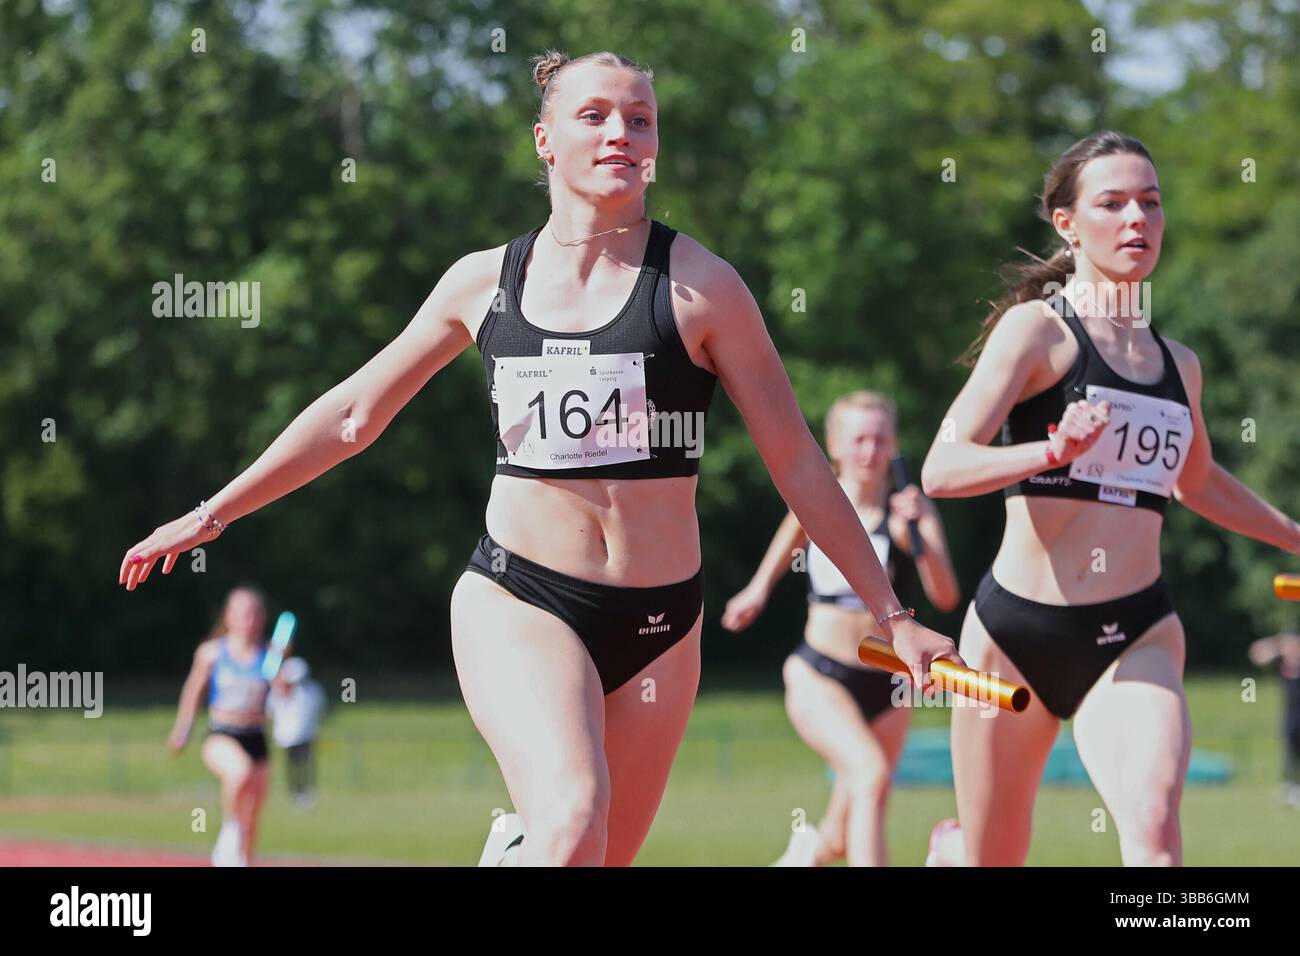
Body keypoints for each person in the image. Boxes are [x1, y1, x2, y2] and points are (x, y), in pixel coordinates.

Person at [120, 49, 961, 867]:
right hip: (521, 597)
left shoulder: (702, 287)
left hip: (662, 623)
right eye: (593, 117)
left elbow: (799, 465)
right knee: (571, 824)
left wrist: (895, 617)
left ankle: (515, 850)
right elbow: (351, 416)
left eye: (640, 120)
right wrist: (210, 514)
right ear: (544, 140)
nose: (620, 135)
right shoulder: (483, 284)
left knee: (593, 853)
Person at [920, 130, 1300, 866]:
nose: (1137, 220)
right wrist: (1050, 452)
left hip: (1135, 633)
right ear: (1067, 223)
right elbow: (942, 467)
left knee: (1155, 835)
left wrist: (1295, 536)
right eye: (1113, 203)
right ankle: (957, 850)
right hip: (1013, 637)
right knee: (994, 857)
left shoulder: (1178, 366)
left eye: (1151, 204)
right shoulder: (1036, 333)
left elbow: (1198, 484)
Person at [722, 390, 959, 865]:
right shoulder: (818, 503)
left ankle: (808, 852)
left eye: (880, 439)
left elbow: (945, 596)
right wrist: (756, 591)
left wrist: (920, 541)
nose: (869, 451)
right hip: (820, 672)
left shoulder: (907, 511)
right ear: (834, 445)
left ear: (894, 446)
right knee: (869, 776)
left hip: (890, 683)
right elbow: (789, 536)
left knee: (851, 818)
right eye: (859, 440)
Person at [168, 586, 274, 866]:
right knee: (240, 773)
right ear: (228, 616)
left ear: (261, 618)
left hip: (256, 736)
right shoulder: (212, 653)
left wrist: (284, 682)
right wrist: (183, 730)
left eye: (253, 614)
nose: (247, 620)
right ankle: (228, 834)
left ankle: (242, 854)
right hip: (222, 733)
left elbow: (281, 700)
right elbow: (193, 691)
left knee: (252, 826)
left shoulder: (270, 656)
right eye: (241, 613)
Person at [1247, 632, 1300, 808]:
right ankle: (1291, 787)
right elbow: (1256, 654)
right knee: (1291, 753)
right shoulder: (1283, 665)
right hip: (1291, 717)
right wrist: (1277, 643)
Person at [267, 657, 326, 808]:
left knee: (305, 764)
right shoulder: (278, 692)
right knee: (291, 765)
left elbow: (318, 710)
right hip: (286, 736)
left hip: (306, 733)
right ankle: (294, 791)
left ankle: (305, 791)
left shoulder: (312, 690)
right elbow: (271, 711)